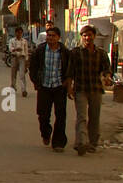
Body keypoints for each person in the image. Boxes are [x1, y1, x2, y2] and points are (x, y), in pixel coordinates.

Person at [68, 24, 112, 156]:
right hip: (80, 89)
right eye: (85, 35)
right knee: (82, 117)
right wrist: (69, 87)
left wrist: (107, 77)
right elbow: (70, 72)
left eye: (90, 35)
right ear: (81, 37)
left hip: (96, 89)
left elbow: (106, 69)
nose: (88, 37)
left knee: (94, 117)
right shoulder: (75, 53)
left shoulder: (101, 53)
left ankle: (92, 143)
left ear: (94, 36)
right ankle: (81, 143)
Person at [29, 25, 72, 152]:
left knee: (60, 115)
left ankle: (58, 142)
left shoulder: (64, 52)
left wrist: (67, 84)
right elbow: (33, 67)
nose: (50, 38)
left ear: (58, 37)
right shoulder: (40, 51)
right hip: (44, 87)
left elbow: (69, 69)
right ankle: (46, 133)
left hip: (59, 87)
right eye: (49, 35)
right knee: (43, 115)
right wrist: (36, 82)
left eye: (53, 36)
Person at [7, 25, 31, 97]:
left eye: (20, 33)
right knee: (13, 74)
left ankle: (23, 90)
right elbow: (10, 49)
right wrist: (15, 49)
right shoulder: (12, 40)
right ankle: (13, 87)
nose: (19, 34)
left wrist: (27, 62)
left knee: (22, 75)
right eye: (17, 33)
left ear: (22, 33)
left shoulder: (24, 41)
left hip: (22, 58)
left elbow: (26, 51)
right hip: (14, 57)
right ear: (15, 33)